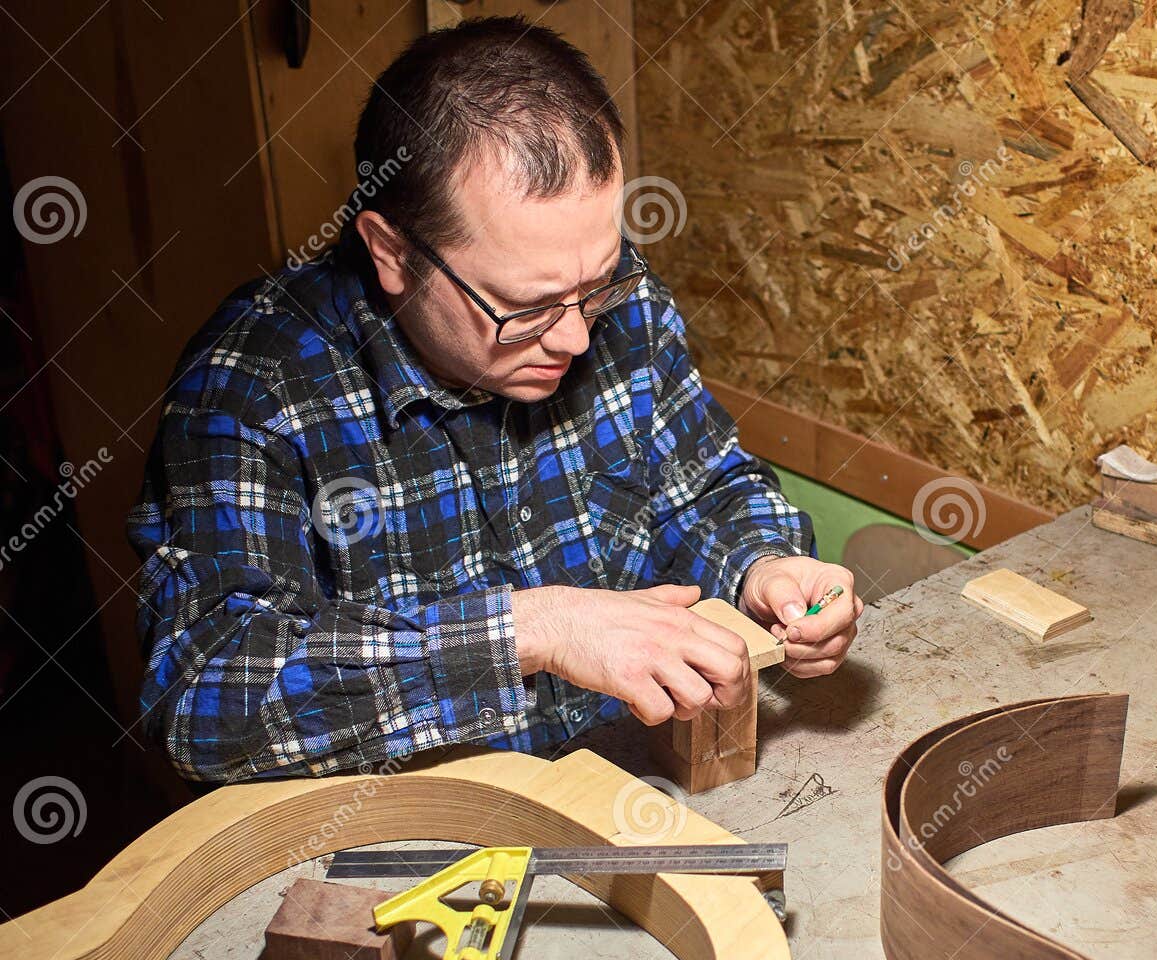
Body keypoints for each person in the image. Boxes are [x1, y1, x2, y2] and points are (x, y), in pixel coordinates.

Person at [128, 18, 860, 782]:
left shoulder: (612, 304)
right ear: (392, 253)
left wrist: (764, 569)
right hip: (414, 836)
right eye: (528, 306)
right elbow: (204, 699)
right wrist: (529, 630)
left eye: (597, 282)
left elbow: (699, 494)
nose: (576, 336)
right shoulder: (251, 384)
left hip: (623, 782)